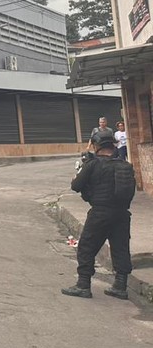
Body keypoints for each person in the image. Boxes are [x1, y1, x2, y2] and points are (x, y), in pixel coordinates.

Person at [61, 128, 135, 300]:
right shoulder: (125, 166)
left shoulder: (93, 165)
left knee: (86, 247)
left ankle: (83, 285)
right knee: (120, 248)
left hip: (100, 213)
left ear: (96, 145)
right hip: (122, 214)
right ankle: (120, 286)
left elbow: (76, 186)